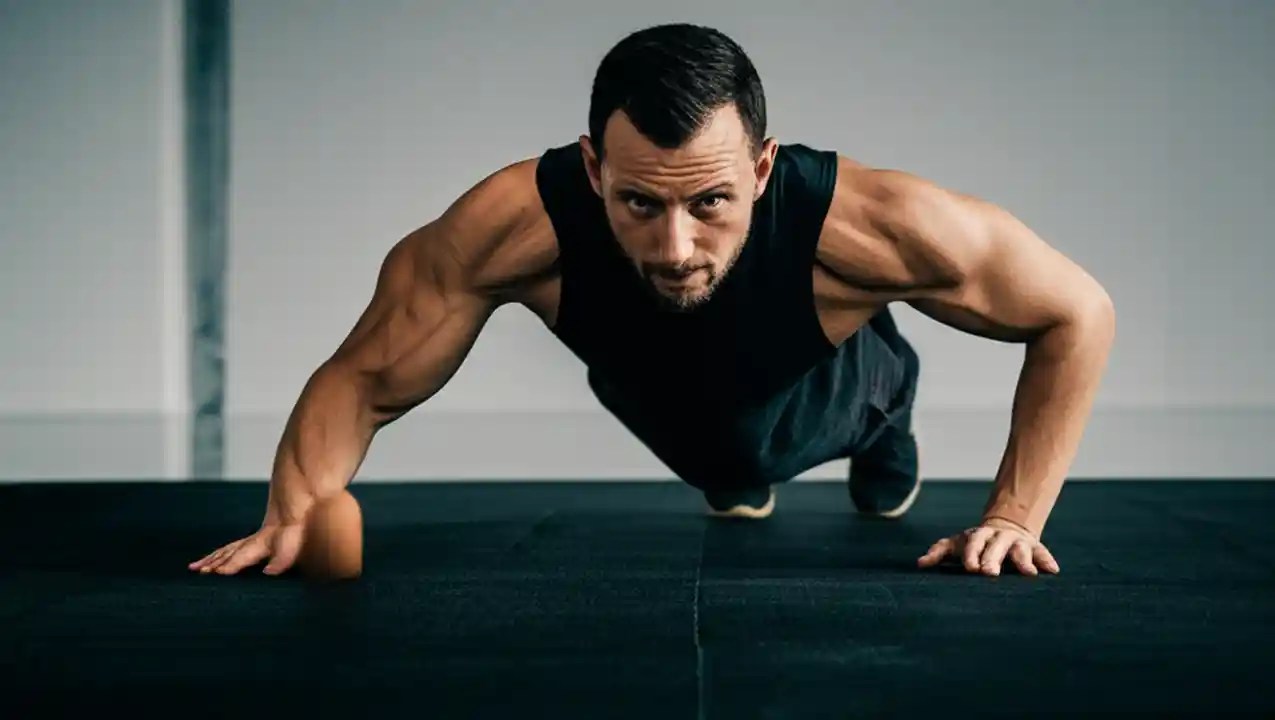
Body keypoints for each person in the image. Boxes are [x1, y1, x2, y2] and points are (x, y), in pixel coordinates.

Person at [189, 23, 1113, 580]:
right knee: (722, 459)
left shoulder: (872, 224)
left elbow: (1078, 312)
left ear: (760, 168)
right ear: (594, 168)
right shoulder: (515, 224)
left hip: (827, 383)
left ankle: (886, 425)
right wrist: (297, 510)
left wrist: (1013, 517)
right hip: (661, 396)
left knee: (822, 416)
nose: (675, 247)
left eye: (710, 202)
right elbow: (366, 375)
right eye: (640, 203)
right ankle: (732, 467)